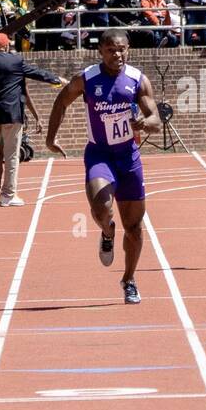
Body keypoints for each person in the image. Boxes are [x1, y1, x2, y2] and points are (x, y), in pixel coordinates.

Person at [46, 30, 161, 305]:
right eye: (111, 50)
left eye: (121, 49)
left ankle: (129, 279)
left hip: (129, 156)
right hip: (99, 154)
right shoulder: (87, 79)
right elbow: (61, 101)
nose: (117, 55)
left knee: (133, 227)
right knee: (101, 207)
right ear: (101, 51)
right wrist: (51, 138)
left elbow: (156, 118)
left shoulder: (137, 80)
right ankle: (107, 232)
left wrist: (145, 124)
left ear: (128, 49)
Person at [0, 32, 65, 207]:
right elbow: (36, 73)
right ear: (7, 46)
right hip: (12, 114)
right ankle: (8, 195)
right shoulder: (15, 61)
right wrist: (57, 79)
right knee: (12, 156)